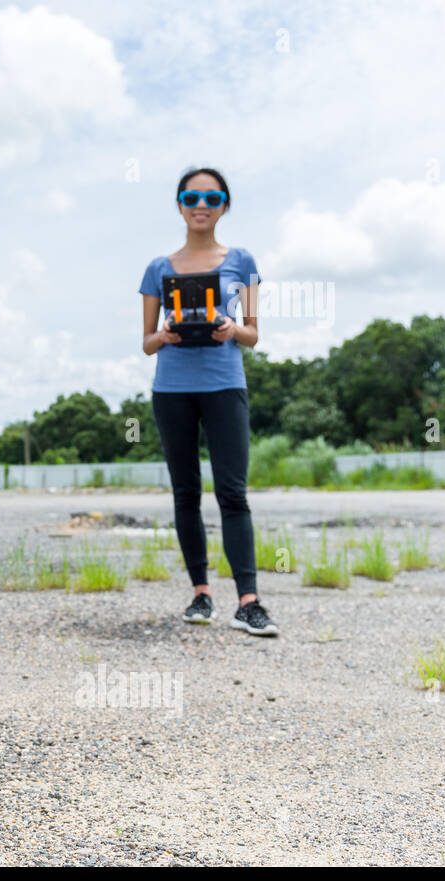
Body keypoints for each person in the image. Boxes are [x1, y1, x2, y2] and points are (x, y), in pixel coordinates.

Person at [139, 167, 279, 637]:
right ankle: (201, 594)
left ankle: (249, 602)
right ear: (180, 205)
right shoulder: (157, 268)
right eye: (192, 197)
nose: (202, 205)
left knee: (233, 493)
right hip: (172, 390)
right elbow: (146, 343)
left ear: (224, 206)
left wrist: (231, 328)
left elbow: (253, 334)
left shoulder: (242, 261)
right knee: (186, 493)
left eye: (212, 198)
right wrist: (165, 335)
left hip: (224, 385)